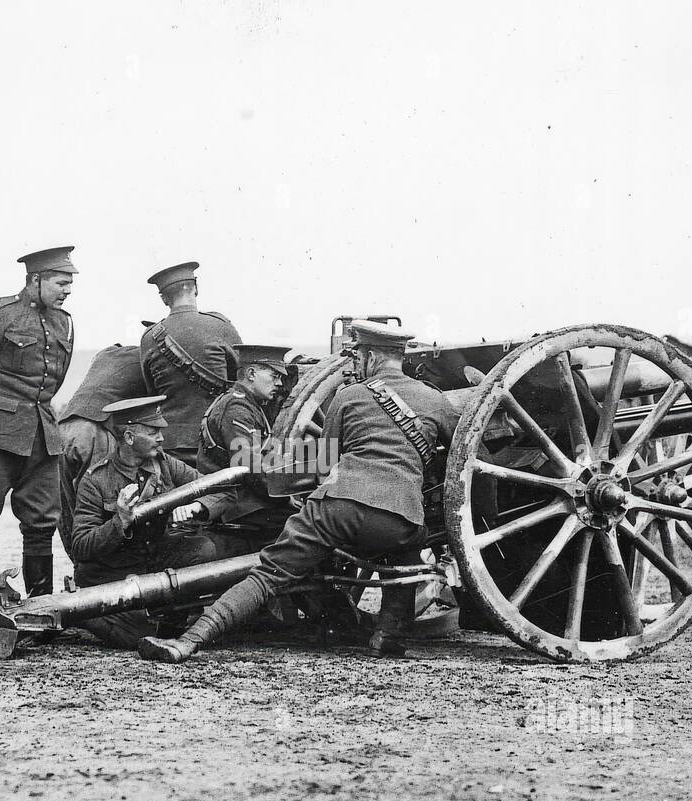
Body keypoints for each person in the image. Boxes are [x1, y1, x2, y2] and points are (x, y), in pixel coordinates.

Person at [138, 319, 459, 663]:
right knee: (408, 550)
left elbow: (326, 461)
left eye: (358, 358)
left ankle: (188, 642)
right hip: (403, 515)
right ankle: (387, 638)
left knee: (268, 574)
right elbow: (464, 460)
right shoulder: (435, 400)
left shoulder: (349, 395)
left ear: (369, 357)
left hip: (338, 508)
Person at [0, 246, 77, 608]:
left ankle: (40, 607)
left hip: (42, 438)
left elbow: (52, 382)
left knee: (42, 522)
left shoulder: (65, 323)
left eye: (69, 283)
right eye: (60, 283)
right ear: (35, 279)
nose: (67, 290)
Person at [70, 396, 220, 648]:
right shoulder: (95, 480)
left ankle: (172, 619)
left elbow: (213, 486)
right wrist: (120, 521)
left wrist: (196, 506)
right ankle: (84, 614)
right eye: (153, 432)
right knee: (137, 636)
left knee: (202, 549)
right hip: (113, 572)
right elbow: (81, 546)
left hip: (151, 562)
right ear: (129, 438)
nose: (161, 438)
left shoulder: (164, 463)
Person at [139, 261, 241, 464]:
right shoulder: (220, 326)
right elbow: (241, 377)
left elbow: (151, 392)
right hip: (217, 439)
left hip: (170, 445)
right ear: (196, 288)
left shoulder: (150, 337)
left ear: (164, 299)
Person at [54, 342, 146, 568]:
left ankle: (79, 565)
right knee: (99, 501)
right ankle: (96, 569)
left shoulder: (108, 353)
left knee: (68, 506)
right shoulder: (150, 359)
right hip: (95, 429)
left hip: (65, 426)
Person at [195, 343, 296, 549]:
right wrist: (285, 497)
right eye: (274, 376)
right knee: (308, 521)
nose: (279, 383)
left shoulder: (248, 404)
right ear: (251, 374)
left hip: (246, 497)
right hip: (236, 503)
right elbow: (250, 468)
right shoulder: (237, 409)